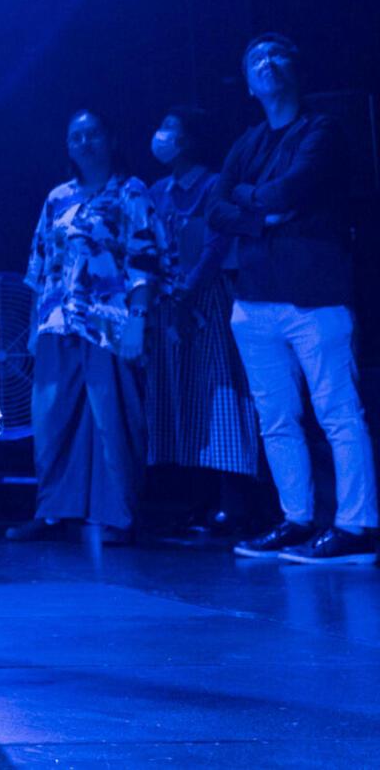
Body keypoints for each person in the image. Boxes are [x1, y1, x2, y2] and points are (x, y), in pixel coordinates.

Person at [213, 34, 376, 565]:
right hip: (255, 298)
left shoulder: (321, 129)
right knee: (276, 417)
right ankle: (296, 518)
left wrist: (251, 203)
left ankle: (357, 527)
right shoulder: (249, 140)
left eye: (277, 53)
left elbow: (290, 190)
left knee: (338, 412)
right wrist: (262, 211)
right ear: (247, 82)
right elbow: (216, 206)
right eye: (255, 57)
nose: (266, 62)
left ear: (295, 68)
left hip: (314, 294)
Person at [10, 111, 158, 544]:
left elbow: (146, 260)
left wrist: (138, 320)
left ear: (110, 139)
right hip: (58, 322)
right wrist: (36, 325)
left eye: (93, 134)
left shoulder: (131, 192)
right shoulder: (58, 197)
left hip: (109, 322)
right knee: (53, 419)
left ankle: (120, 515)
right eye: (76, 136)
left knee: (112, 418)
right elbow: (40, 264)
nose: (85, 142)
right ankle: (53, 510)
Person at [144, 106, 259, 538]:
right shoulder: (156, 191)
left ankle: (236, 502)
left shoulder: (214, 185)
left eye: (170, 129)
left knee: (223, 399)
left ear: (189, 139)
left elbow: (214, 247)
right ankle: (198, 500)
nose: (161, 137)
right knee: (183, 401)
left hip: (207, 301)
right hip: (168, 304)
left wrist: (188, 291)